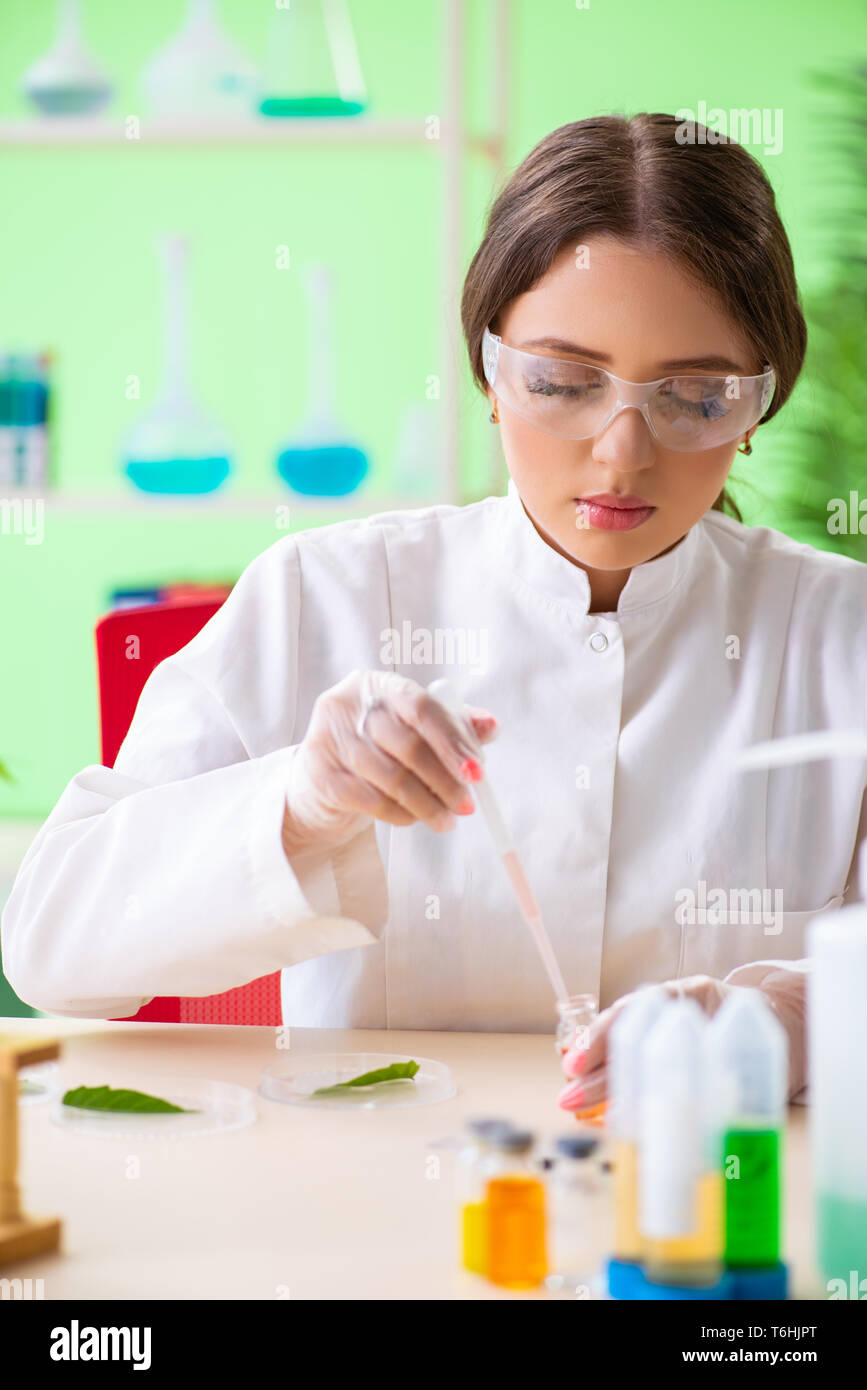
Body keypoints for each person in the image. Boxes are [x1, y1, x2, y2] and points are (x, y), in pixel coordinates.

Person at [3, 115, 865, 1109]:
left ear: (759, 407)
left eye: (698, 396)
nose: (624, 453)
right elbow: (49, 948)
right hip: (374, 1223)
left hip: (712, 1222)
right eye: (563, 382)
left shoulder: (839, 634)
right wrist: (301, 804)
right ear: (490, 377)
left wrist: (788, 1022)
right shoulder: (322, 597)